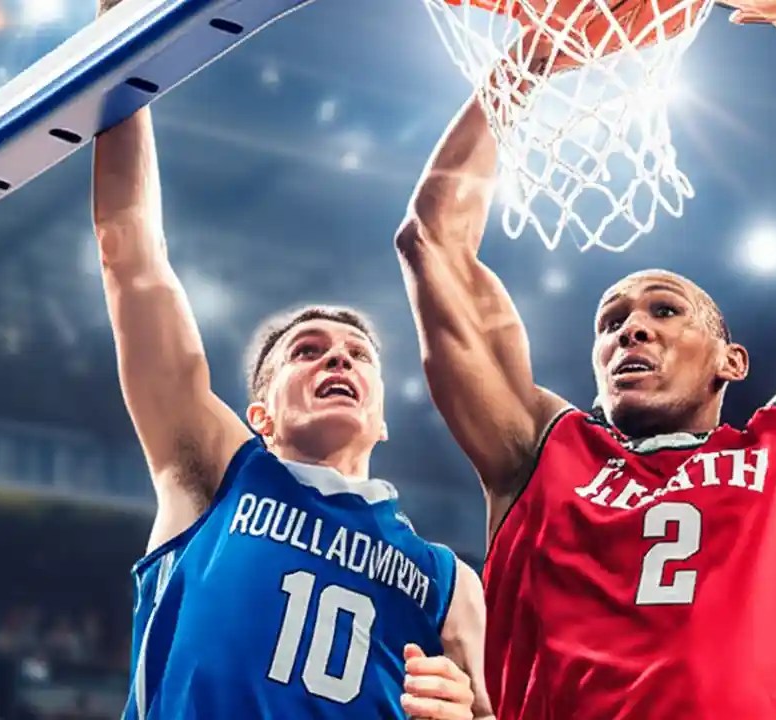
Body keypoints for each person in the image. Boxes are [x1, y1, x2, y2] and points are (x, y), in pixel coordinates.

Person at [395, 0, 776, 717]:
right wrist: (523, 66)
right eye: (612, 321)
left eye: (665, 311)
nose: (633, 331)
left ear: (732, 362)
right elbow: (430, 244)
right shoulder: (540, 454)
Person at [90, 4, 490, 719]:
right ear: (260, 413)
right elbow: (133, 259)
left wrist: (469, 713)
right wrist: (123, 57)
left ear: (381, 419)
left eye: (358, 354)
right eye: (307, 351)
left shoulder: (448, 582)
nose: (337, 356)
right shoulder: (219, 473)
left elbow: (491, 713)